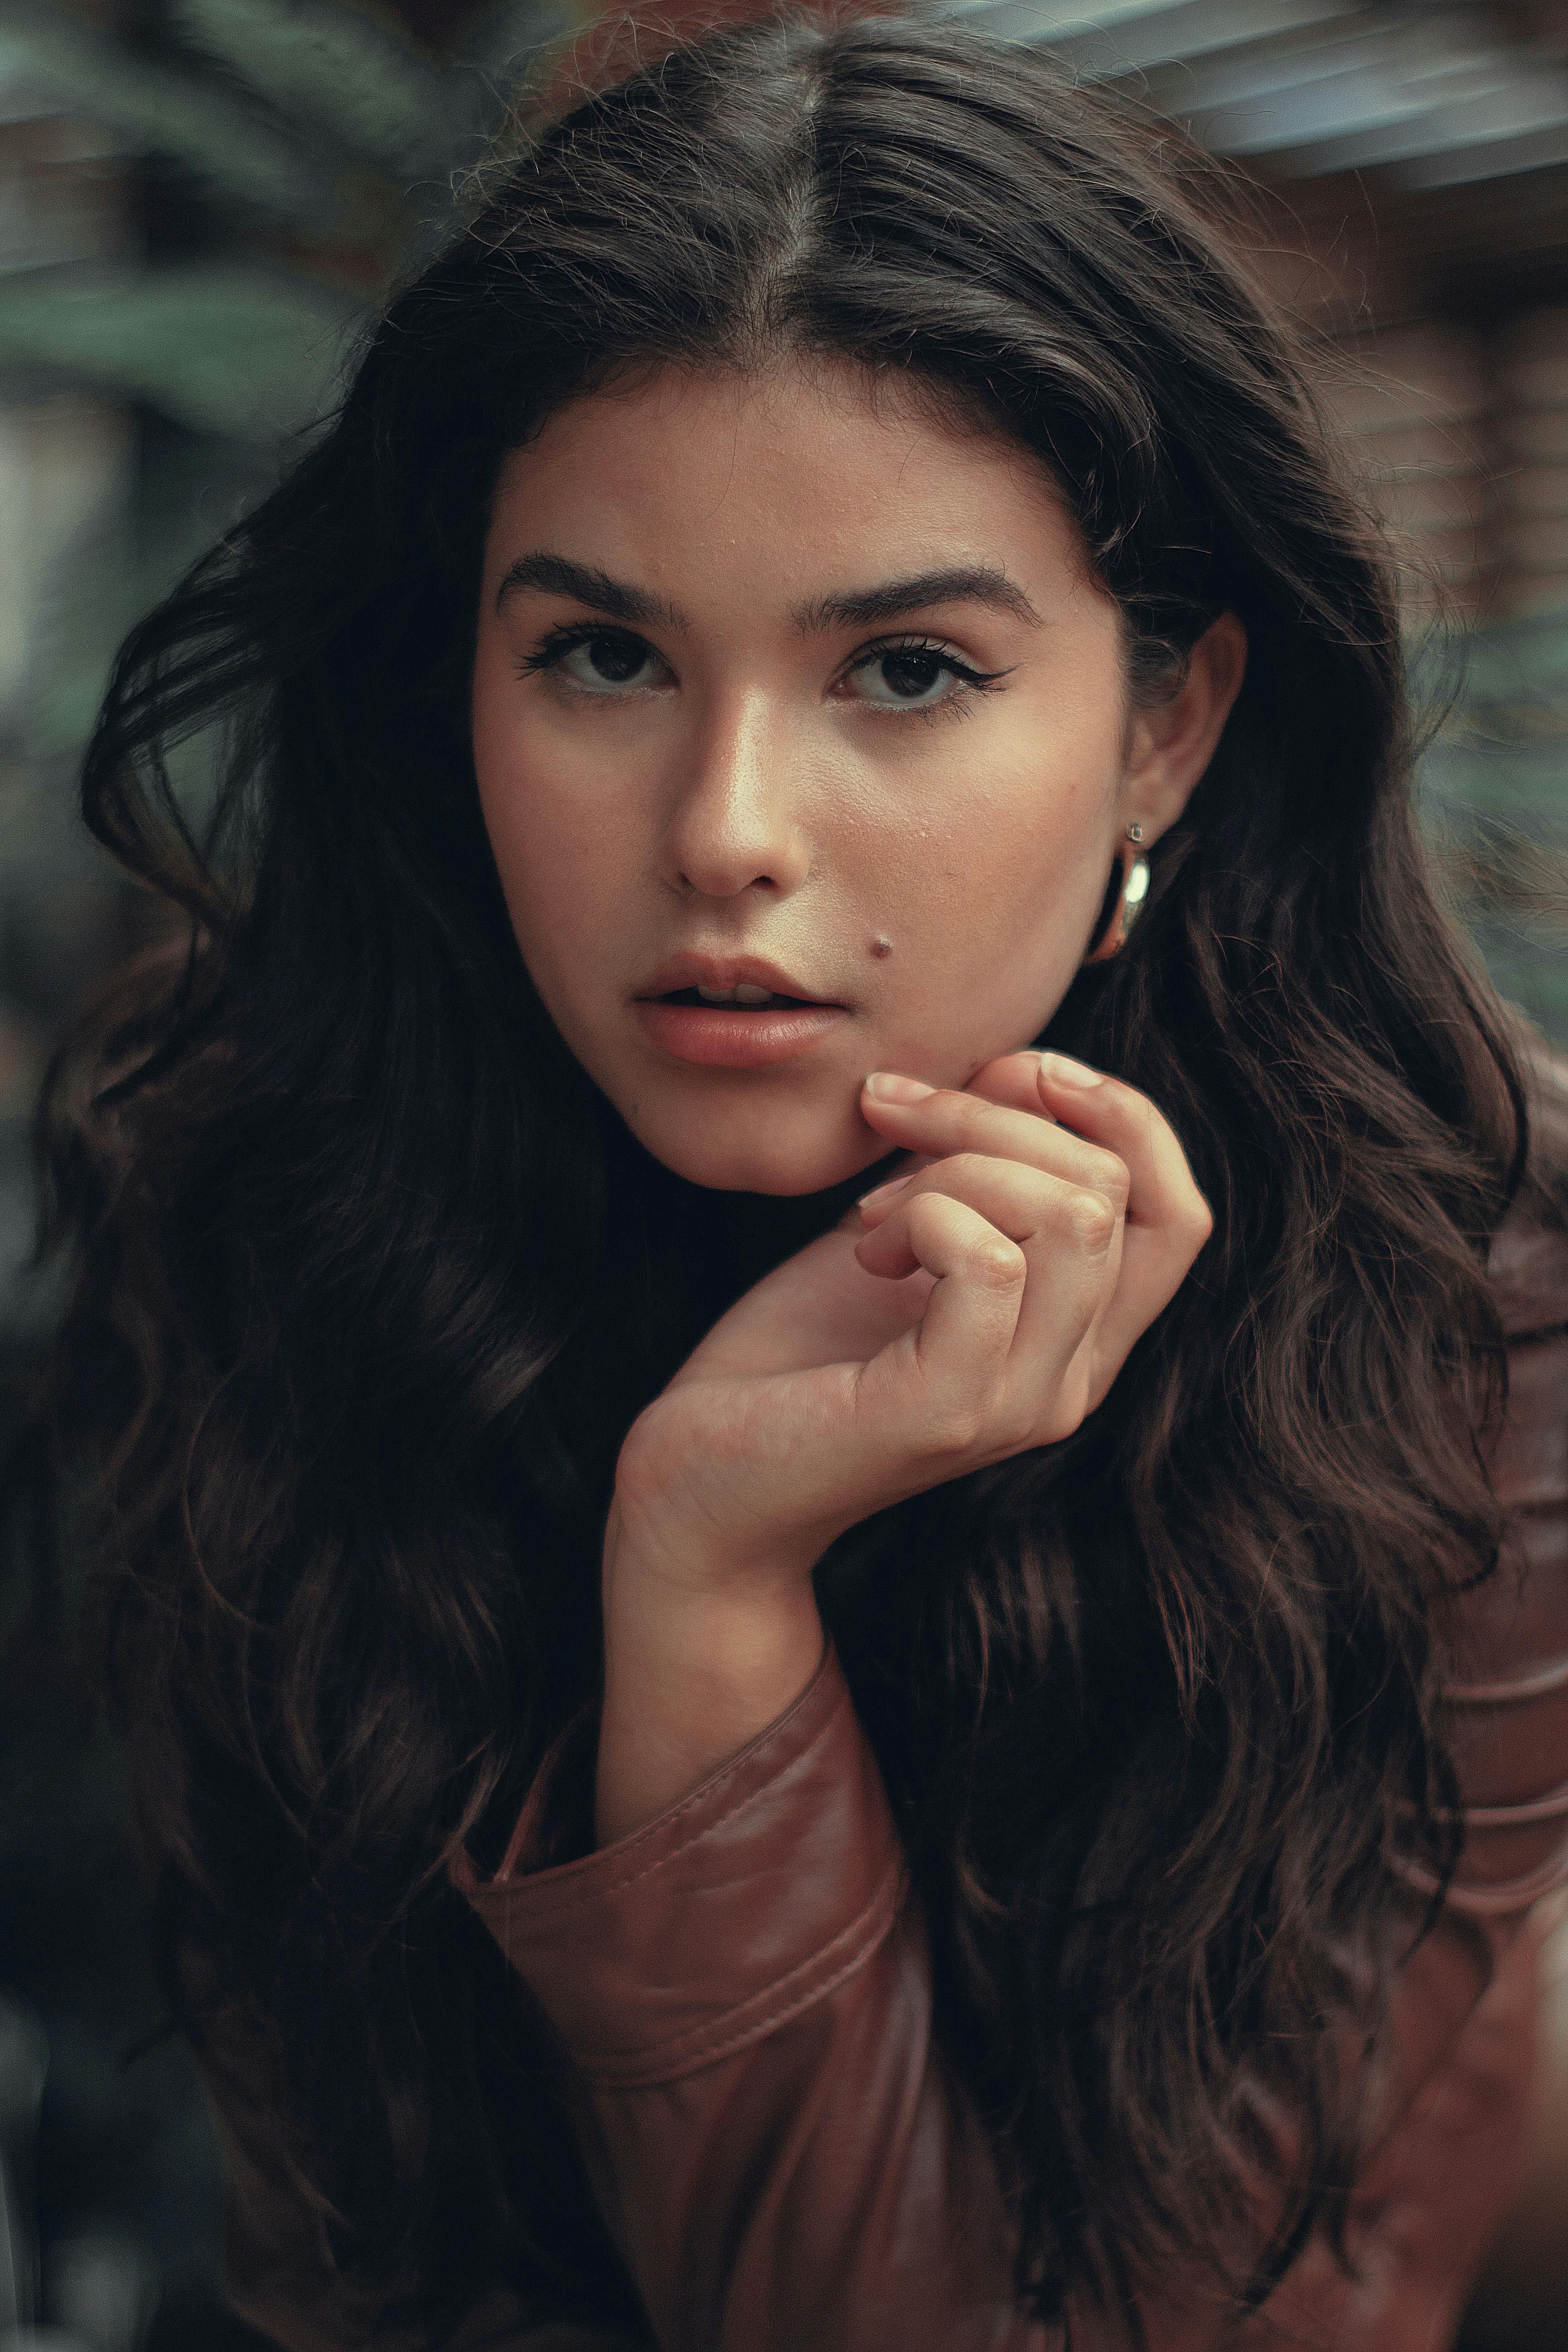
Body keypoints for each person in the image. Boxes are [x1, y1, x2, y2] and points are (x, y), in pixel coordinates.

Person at [14, 12, 1568, 2347]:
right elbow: (335, 2244)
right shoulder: (268, 1203)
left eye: (912, 671)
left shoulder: (1487, 1297)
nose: (728, 832)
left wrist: (716, 1597)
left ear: (1167, 722)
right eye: (606, 656)